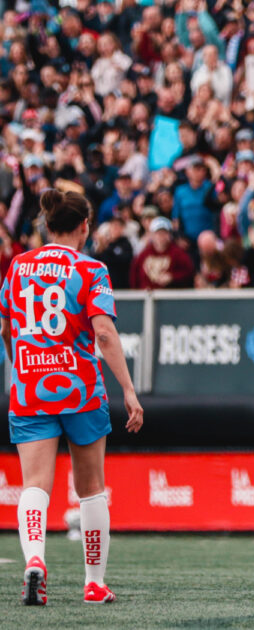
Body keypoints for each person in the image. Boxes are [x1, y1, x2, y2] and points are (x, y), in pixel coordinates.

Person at [5, 190, 144, 606]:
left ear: (48, 226)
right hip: (78, 387)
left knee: (34, 484)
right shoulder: (91, 269)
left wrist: (21, 364)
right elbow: (104, 333)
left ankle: (35, 561)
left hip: (30, 386)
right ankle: (94, 583)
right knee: (91, 488)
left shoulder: (18, 266)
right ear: (85, 226)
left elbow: (7, 328)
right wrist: (129, 389)